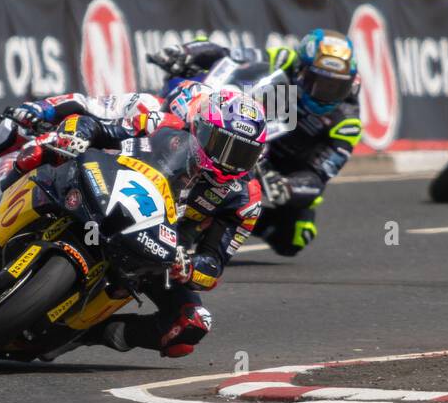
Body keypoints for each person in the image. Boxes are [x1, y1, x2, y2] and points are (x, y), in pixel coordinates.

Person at [0, 91, 267, 359]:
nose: (229, 160)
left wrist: (189, 268)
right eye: (223, 145)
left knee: (192, 326)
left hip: (159, 251)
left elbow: (215, 264)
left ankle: (90, 332)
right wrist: (75, 135)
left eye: (242, 154)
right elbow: (99, 127)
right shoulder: (162, 126)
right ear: (202, 129)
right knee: (39, 152)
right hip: (108, 190)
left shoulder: (245, 199)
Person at [153, 29, 360, 256]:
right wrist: (185, 53)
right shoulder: (284, 60)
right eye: (318, 82)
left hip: (283, 169)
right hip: (249, 137)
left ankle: (236, 219)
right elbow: (228, 55)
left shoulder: (347, 124)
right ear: (301, 70)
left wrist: (286, 186)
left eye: (335, 87)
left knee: (295, 237)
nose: (325, 94)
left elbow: (319, 175)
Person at [0, 92, 163, 209]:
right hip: (70, 147)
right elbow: (82, 103)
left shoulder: (174, 154)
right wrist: (39, 109)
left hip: (106, 189)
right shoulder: (143, 105)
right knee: (9, 129)